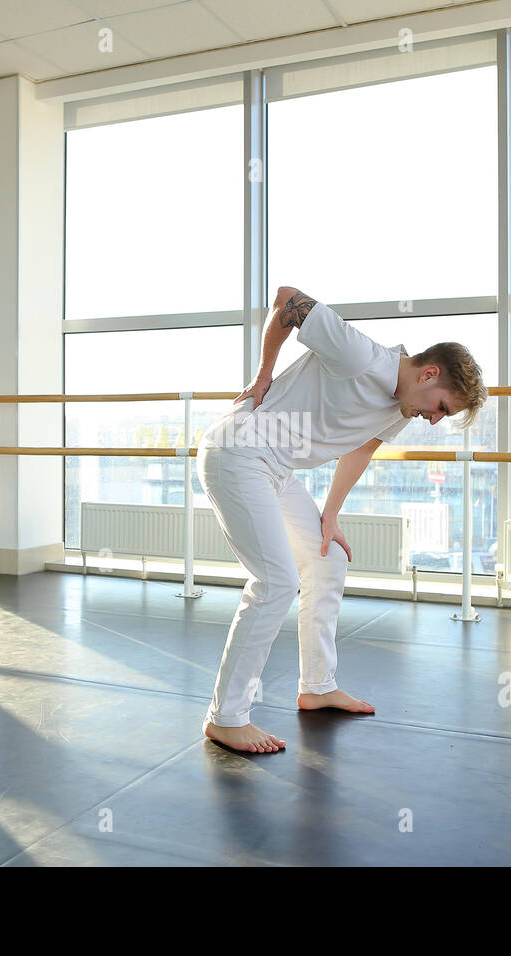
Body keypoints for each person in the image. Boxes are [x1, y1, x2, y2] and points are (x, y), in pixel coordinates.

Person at [195, 285, 488, 753]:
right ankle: (227, 717)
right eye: (442, 408)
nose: (435, 420)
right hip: (239, 451)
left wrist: (329, 515)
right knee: (275, 582)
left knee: (328, 559)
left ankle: (317, 686)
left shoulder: (401, 406)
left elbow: (361, 448)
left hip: (277, 468)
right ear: (429, 373)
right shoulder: (361, 357)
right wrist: (264, 375)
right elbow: (288, 300)